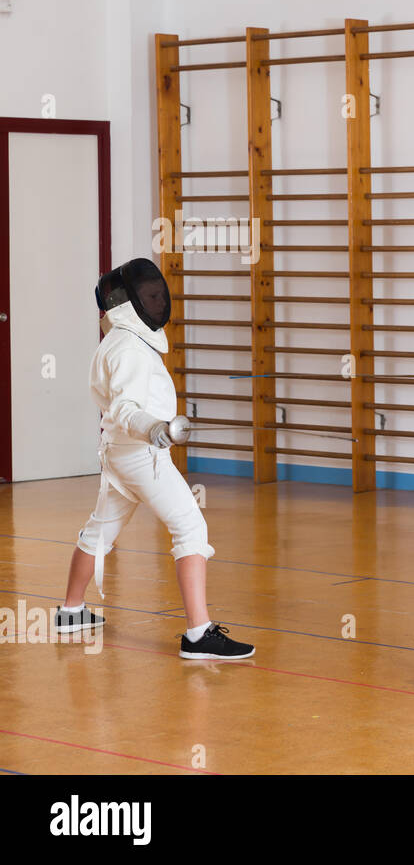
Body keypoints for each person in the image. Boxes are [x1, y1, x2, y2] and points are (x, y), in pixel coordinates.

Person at [57, 258, 255, 660]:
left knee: (100, 531)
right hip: (140, 454)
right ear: (128, 302)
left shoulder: (115, 340)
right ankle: (199, 635)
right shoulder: (128, 346)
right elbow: (127, 409)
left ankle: (71, 611)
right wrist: (154, 428)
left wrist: (153, 427)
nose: (156, 299)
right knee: (190, 526)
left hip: (117, 454)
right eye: (147, 295)